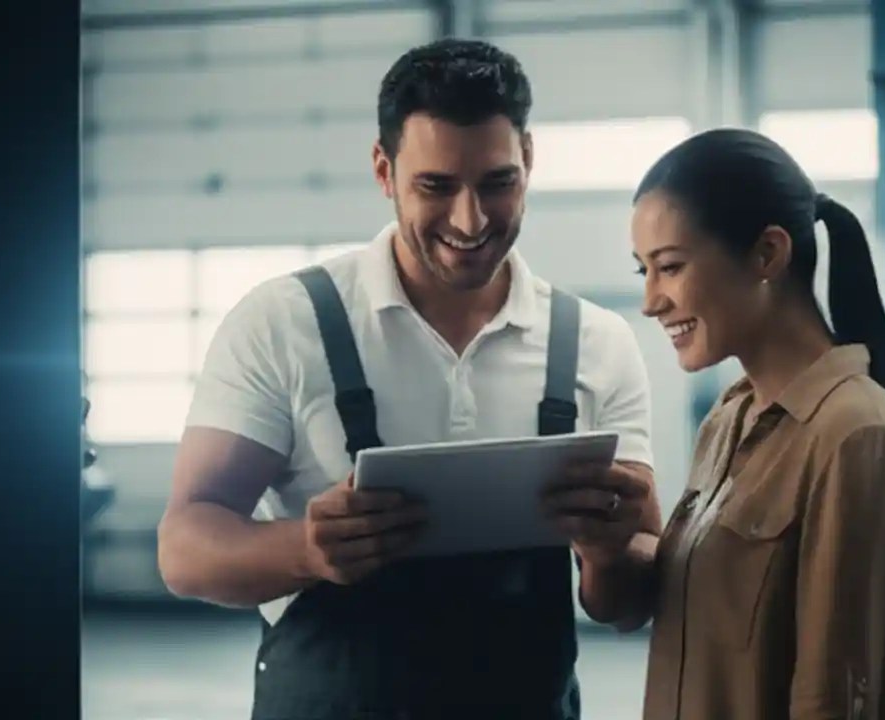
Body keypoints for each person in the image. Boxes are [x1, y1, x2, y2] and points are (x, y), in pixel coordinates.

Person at [156, 38, 662, 720]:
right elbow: (185, 549)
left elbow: (630, 599)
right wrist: (304, 548)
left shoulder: (597, 346)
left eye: (497, 183)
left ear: (530, 160)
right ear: (382, 169)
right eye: (436, 186)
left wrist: (607, 555)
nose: (470, 221)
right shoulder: (283, 322)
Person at [627, 128, 885, 720]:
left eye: (669, 267)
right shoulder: (728, 421)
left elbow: (844, 697)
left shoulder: (856, 436)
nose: (650, 301)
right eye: (642, 270)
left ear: (768, 254)